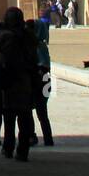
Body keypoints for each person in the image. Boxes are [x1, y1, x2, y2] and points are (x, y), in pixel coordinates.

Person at [0, 7, 38, 160]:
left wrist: (0, 60)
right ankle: (22, 151)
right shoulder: (29, 36)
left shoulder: (4, 36)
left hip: (9, 81)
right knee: (24, 117)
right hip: (24, 81)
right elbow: (34, 58)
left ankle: (8, 148)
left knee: (9, 118)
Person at [26, 16, 54, 146]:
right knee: (30, 111)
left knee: (41, 112)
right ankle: (33, 136)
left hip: (41, 81)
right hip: (42, 81)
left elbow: (44, 68)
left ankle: (46, 139)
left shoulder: (39, 46)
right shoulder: (35, 45)